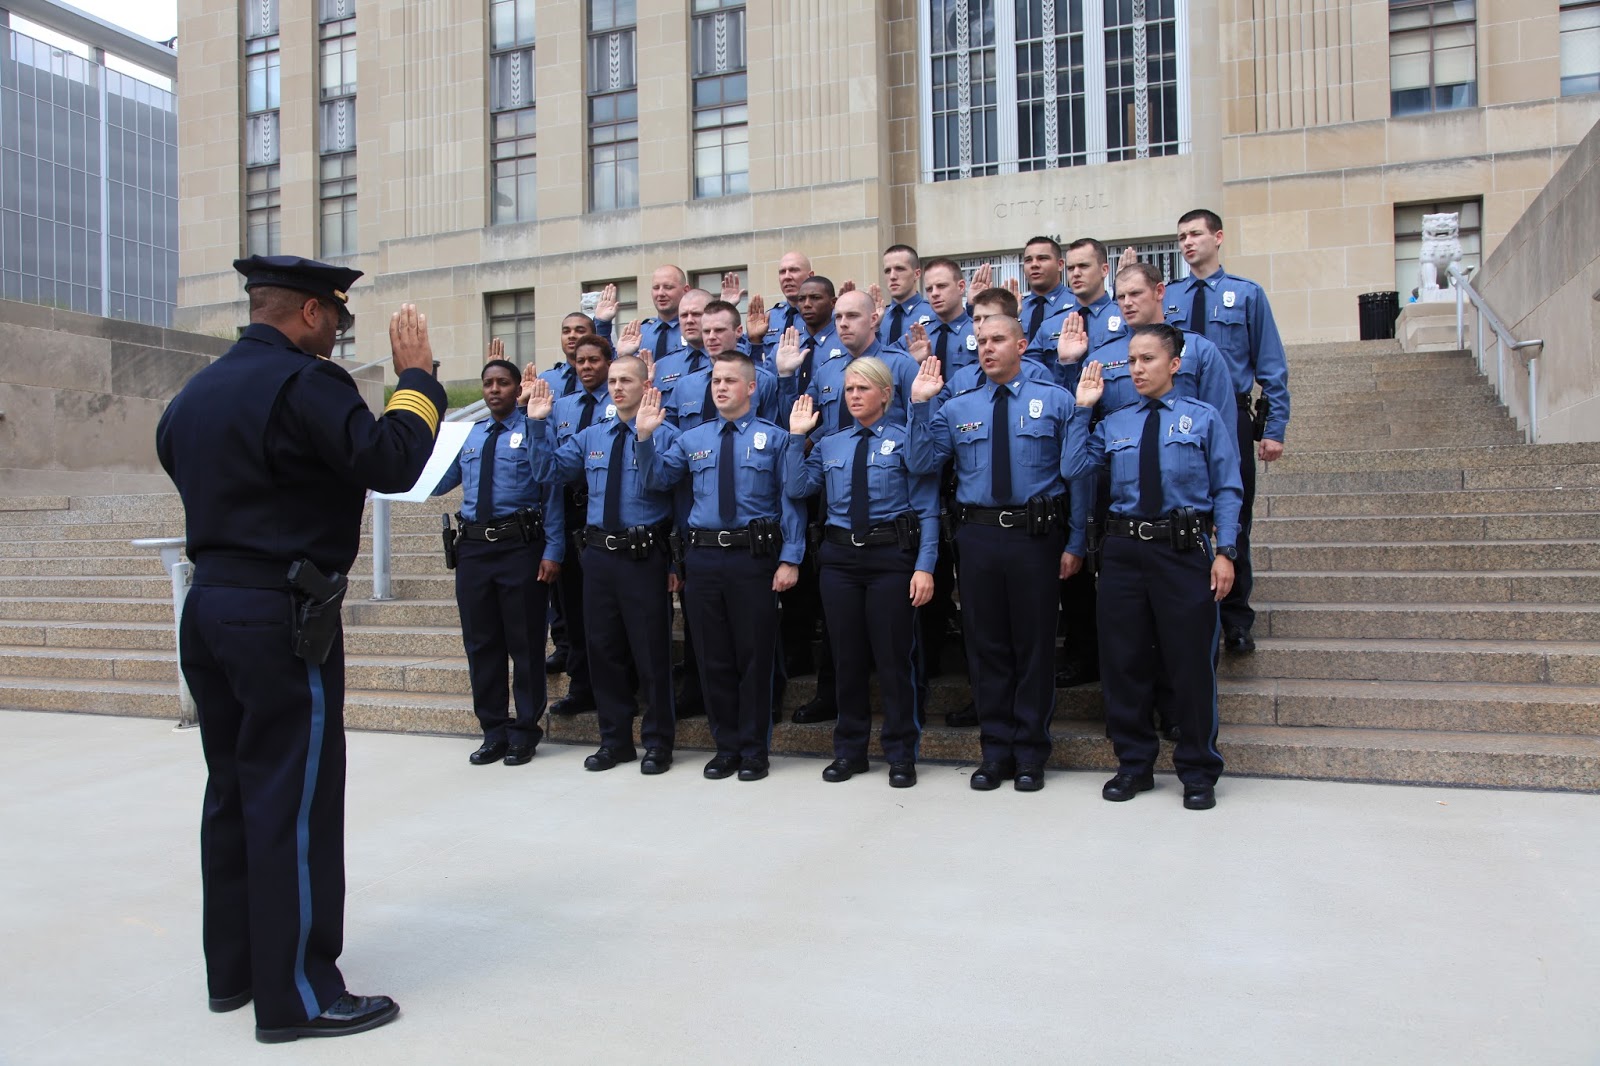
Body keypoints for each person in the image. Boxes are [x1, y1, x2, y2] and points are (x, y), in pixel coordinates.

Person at [155, 255, 446, 1042]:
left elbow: (175, 457)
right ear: (312, 313)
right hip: (279, 615)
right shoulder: (308, 382)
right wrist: (417, 381)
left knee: (234, 790)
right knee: (295, 799)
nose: (339, 333)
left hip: (210, 603)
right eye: (338, 318)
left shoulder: (198, 391)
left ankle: (237, 972)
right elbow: (391, 460)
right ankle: (299, 996)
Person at [1063, 323, 1243, 810]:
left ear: (1174, 364)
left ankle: (1198, 770)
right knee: (1124, 663)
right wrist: (1083, 409)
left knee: (1190, 664)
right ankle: (1134, 765)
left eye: (1147, 359)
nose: (1136, 369)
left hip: (1181, 552)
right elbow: (1074, 468)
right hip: (1123, 553)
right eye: (1132, 361)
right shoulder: (1115, 421)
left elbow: (1228, 488)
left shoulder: (1202, 418)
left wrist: (1226, 551)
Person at [1049, 260, 1236, 694]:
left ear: (1159, 292)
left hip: (1183, 516)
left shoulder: (1200, 355)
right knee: (1127, 644)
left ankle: (1179, 715)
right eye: (1121, 296)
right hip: (1122, 509)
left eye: (1135, 293)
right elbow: (1076, 453)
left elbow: (1223, 457)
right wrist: (1072, 380)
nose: (1127, 302)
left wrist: (1225, 539)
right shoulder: (1103, 361)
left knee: (1185, 646)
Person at [907, 315, 1077, 792]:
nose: (987, 348)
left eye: (997, 339)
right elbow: (921, 463)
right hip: (978, 537)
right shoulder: (956, 407)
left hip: (1034, 536)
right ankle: (995, 752)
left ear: (1021, 346)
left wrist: (1077, 540)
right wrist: (920, 405)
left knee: (1034, 647)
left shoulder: (1055, 400)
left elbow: (1077, 475)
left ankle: (1031, 754)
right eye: (981, 341)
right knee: (986, 648)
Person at [636, 353, 805, 781]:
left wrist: (790, 557)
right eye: (716, 381)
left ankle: (754, 750)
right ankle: (726, 747)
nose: (721, 387)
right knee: (713, 659)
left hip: (754, 558)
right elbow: (656, 481)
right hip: (705, 559)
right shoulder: (691, 439)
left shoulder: (775, 438)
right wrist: (645, 438)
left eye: (730, 380)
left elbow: (791, 501)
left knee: (754, 659)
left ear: (751, 387)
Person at [784, 357, 937, 787]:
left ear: (885, 394)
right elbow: (797, 487)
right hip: (840, 561)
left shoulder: (905, 439)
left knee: (893, 659)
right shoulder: (831, 443)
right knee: (846, 659)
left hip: (890, 559)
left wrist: (924, 566)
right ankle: (849, 751)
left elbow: (927, 508)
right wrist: (796, 438)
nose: (853, 396)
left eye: (863, 388)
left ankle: (901, 753)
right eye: (849, 389)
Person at [529, 355, 679, 774]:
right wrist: (537, 424)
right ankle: (615, 741)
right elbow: (547, 471)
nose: (616, 387)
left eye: (626, 380)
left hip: (642, 557)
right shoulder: (592, 435)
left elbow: (662, 485)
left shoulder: (666, 434)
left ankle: (658, 743)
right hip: (597, 557)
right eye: (612, 381)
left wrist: (645, 438)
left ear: (646, 385)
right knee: (603, 651)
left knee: (650, 654)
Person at [1162, 208, 1291, 653]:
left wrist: (1274, 428)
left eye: (1195, 234)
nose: (1187, 242)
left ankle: (1236, 618)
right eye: (1181, 236)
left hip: (1229, 413)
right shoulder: (1169, 297)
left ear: (1217, 237)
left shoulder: (1246, 294)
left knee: (1233, 515)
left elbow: (1271, 365)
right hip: (1176, 415)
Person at [432, 354, 564, 761]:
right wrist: (425, 441)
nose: (494, 390)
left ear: (517, 389)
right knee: (481, 643)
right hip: (473, 550)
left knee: (524, 643)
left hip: (519, 547)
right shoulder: (469, 436)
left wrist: (553, 550)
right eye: (488, 383)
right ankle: (493, 729)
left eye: (502, 383)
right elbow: (438, 484)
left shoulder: (534, 430)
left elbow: (551, 491)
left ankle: (525, 729)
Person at [542, 334, 614, 716]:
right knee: (574, 609)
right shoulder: (563, 407)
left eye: (594, 360)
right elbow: (551, 470)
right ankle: (581, 687)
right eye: (581, 361)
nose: (586, 366)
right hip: (571, 514)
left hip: (609, 515)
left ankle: (622, 685)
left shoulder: (620, 401)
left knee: (610, 613)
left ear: (608, 362)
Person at [1026, 238, 1125, 370]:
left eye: (1083, 266)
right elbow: (1029, 373)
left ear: (1104, 270)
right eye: (1071, 268)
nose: (1076, 274)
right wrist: (1065, 362)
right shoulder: (1050, 326)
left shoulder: (1125, 318)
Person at [748, 251, 815, 364]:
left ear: (810, 276)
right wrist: (755, 340)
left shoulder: (823, 316)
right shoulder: (769, 318)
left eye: (794, 270)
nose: (787, 277)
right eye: (782, 272)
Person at [1017, 235, 1075, 344]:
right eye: (1028, 260)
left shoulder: (1077, 303)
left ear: (1060, 265)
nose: (1034, 265)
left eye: (1042, 258)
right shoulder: (1018, 308)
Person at [877, 244, 934, 347]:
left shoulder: (933, 313)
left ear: (916, 274)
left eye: (899, 269)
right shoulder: (879, 318)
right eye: (887, 271)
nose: (892, 276)